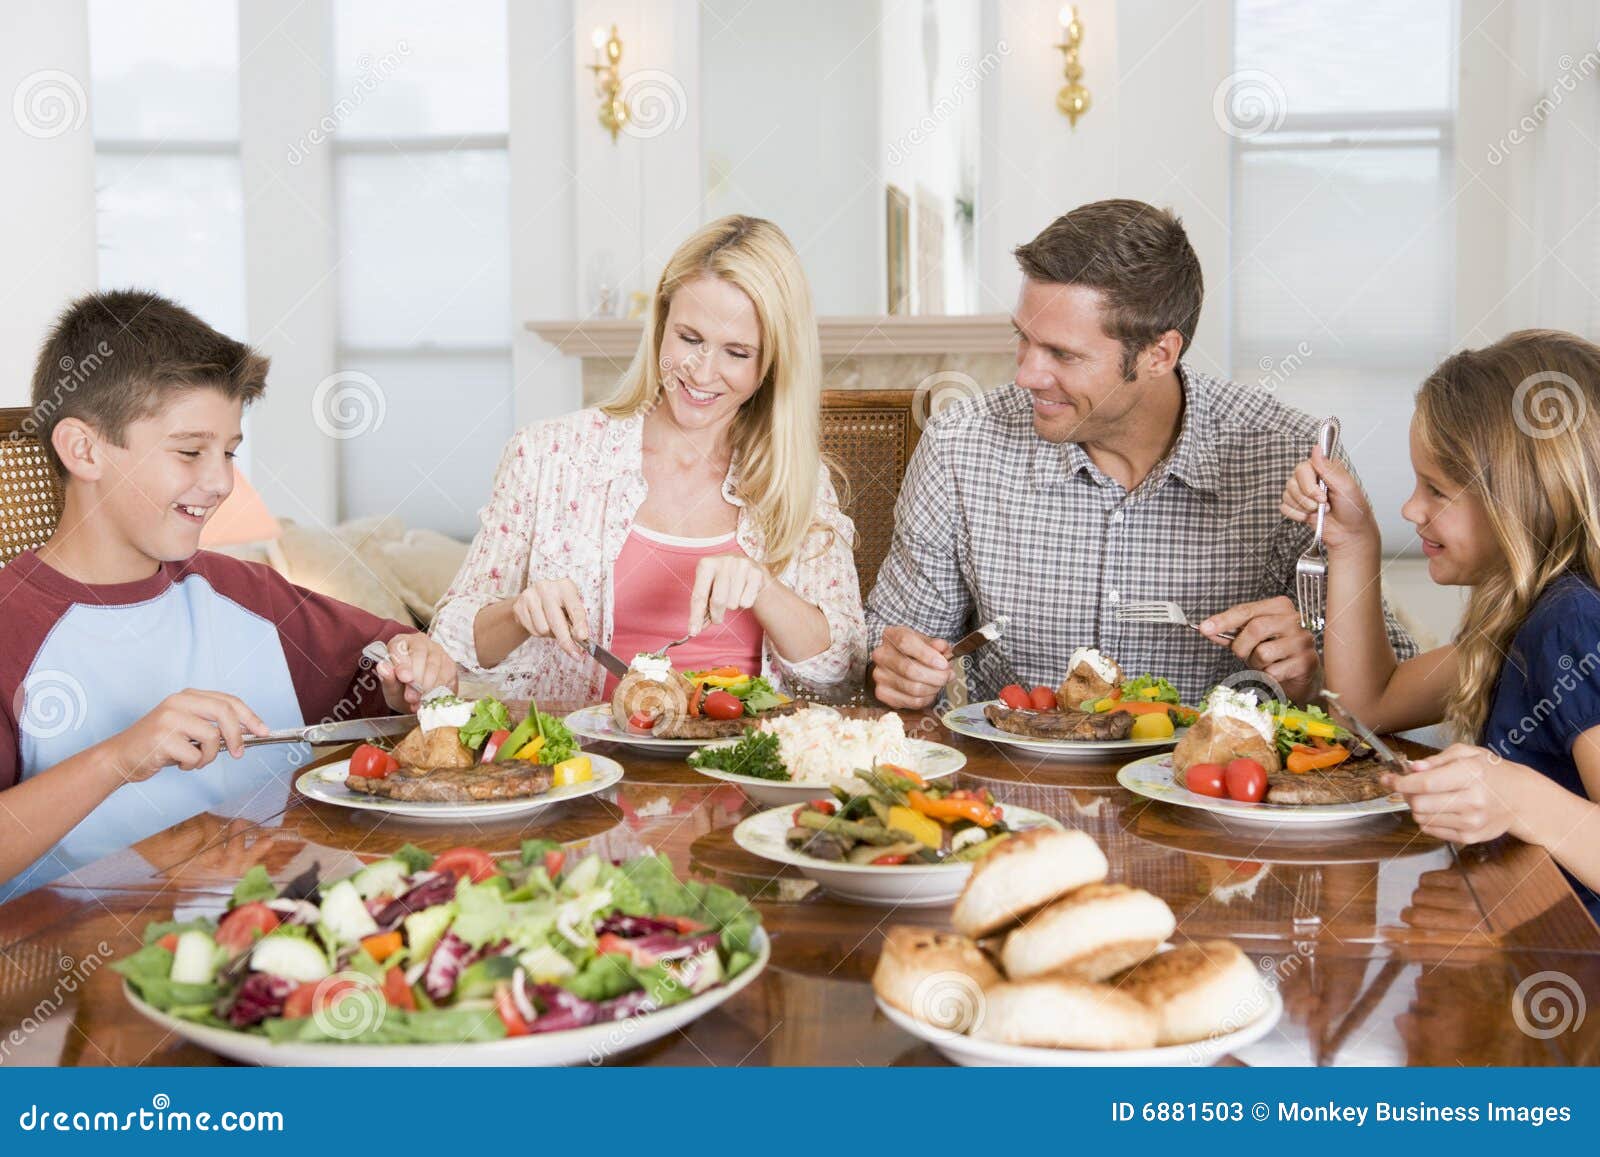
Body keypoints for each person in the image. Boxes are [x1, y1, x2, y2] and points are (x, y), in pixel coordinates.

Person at [866, 198, 1415, 708]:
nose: (1026, 374)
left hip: (1213, 797)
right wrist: (896, 669)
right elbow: (888, 646)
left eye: (1062, 353)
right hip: (1015, 797)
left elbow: (1386, 695)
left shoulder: (1288, 458)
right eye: (1024, 339)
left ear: (1159, 353)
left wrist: (1312, 676)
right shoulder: (960, 446)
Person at [0, 291, 458, 901]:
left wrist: (407, 676)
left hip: (289, 931)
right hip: (84, 972)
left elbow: (384, 663)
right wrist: (119, 757)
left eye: (229, 453)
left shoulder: (245, 594)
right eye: (190, 452)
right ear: (83, 449)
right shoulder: (13, 629)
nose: (220, 482)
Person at [432, 215, 865, 701]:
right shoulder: (547, 456)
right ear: (661, 325)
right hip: (586, 766)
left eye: (737, 353)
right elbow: (450, 641)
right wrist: (518, 612)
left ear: (772, 364)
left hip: (743, 766)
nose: (702, 372)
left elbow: (844, 669)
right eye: (690, 338)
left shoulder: (799, 481)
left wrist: (764, 588)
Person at [1281, 329, 1600, 912]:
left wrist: (1522, 799)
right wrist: (1355, 542)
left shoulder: (1572, 624)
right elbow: (1368, 706)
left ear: (1524, 499)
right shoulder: (1522, 621)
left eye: (1436, 488)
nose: (1411, 508)